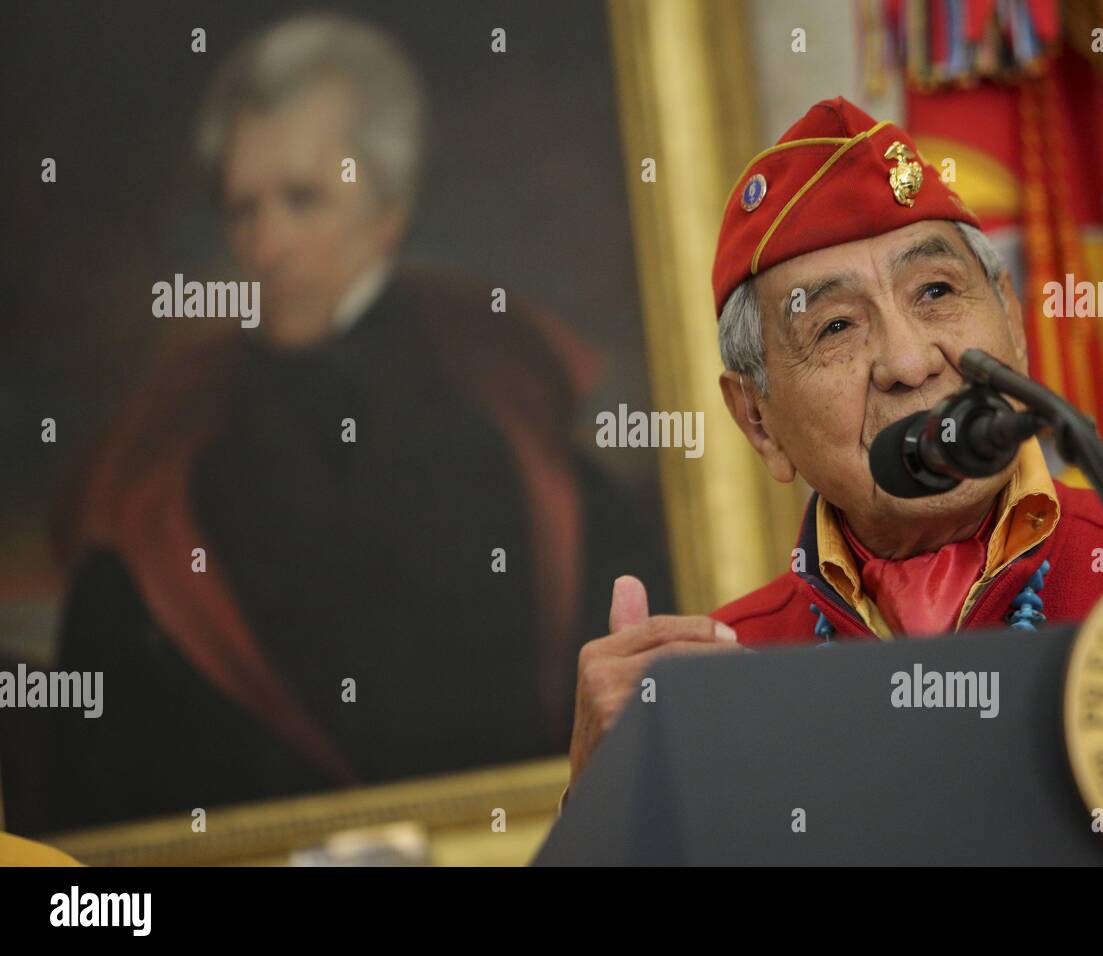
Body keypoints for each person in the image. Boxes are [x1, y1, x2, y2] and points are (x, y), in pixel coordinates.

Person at [47, 14, 668, 830]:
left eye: (302, 201)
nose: (266, 245)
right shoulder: (175, 464)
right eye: (243, 211)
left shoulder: (501, 433)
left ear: (389, 210)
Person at [565, 97, 1103, 786]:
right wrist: (610, 806)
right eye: (836, 327)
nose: (910, 364)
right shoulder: (714, 685)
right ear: (758, 420)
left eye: (936, 292)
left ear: (1011, 317)